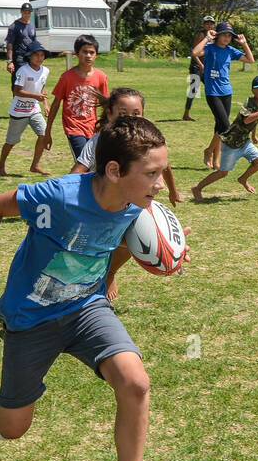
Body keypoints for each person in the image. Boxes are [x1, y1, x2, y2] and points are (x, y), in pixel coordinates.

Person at [0, 115, 190, 461]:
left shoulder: (138, 205)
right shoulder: (59, 196)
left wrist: (167, 256)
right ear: (113, 171)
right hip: (31, 317)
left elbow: (131, 241)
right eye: (152, 173)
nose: (161, 184)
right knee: (14, 425)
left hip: (86, 308)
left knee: (135, 382)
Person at [71, 88, 180, 303]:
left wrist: (173, 191)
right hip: (101, 201)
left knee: (137, 235)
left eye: (136, 113)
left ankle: (110, 272)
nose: (130, 118)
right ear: (109, 113)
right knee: (97, 245)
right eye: (123, 114)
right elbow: (78, 170)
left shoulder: (147, 141)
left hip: (131, 200)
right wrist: (71, 193)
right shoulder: (99, 141)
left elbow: (164, 167)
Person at [192, 74, 258, 199]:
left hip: (244, 142)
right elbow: (247, 120)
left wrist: (254, 135)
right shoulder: (249, 102)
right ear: (253, 90)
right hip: (231, 143)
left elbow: (255, 121)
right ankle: (197, 188)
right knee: (222, 173)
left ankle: (243, 179)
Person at [192, 21, 254, 169]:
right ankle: (209, 151)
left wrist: (244, 43)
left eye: (229, 36)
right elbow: (195, 52)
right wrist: (207, 38)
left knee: (219, 126)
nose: (227, 38)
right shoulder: (210, 48)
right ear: (217, 35)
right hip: (212, 92)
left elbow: (250, 60)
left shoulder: (231, 50)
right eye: (224, 35)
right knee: (225, 126)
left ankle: (215, 160)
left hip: (227, 92)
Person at [42, 34, 107, 160]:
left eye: (92, 52)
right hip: (73, 127)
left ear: (96, 55)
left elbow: (106, 104)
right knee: (83, 162)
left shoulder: (101, 77)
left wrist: (104, 124)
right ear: (77, 54)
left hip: (93, 128)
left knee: (93, 163)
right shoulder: (67, 77)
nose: (88, 56)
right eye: (85, 52)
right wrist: (47, 131)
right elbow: (56, 104)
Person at [0, 41, 51, 177]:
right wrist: (36, 96)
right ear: (29, 57)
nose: (40, 58)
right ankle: (0, 165)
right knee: (11, 142)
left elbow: (41, 87)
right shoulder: (23, 71)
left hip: (34, 109)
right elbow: (17, 91)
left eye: (42, 55)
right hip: (19, 112)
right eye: (36, 55)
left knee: (44, 135)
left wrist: (45, 103)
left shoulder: (45, 71)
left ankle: (35, 165)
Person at [182, 14, 215, 121]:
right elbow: (193, 52)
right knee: (194, 89)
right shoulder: (201, 35)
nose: (209, 25)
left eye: (211, 23)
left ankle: (217, 112)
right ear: (203, 24)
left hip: (206, 67)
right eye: (207, 23)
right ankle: (186, 114)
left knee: (212, 89)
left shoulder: (214, 35)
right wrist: (200, 65)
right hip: (196, 67)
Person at [4, 2, 36, 87]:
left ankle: (28, 100)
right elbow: (9, 45)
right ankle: (16, 100)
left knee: (29, 82)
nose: (27, 14)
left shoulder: (32, 26)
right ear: (21, 12)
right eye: (25, 12)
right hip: (19, 59)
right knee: (18, 83)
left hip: (30, 58)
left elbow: (34, 41)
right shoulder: (14, 26)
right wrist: (10, 62)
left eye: (29, 12)